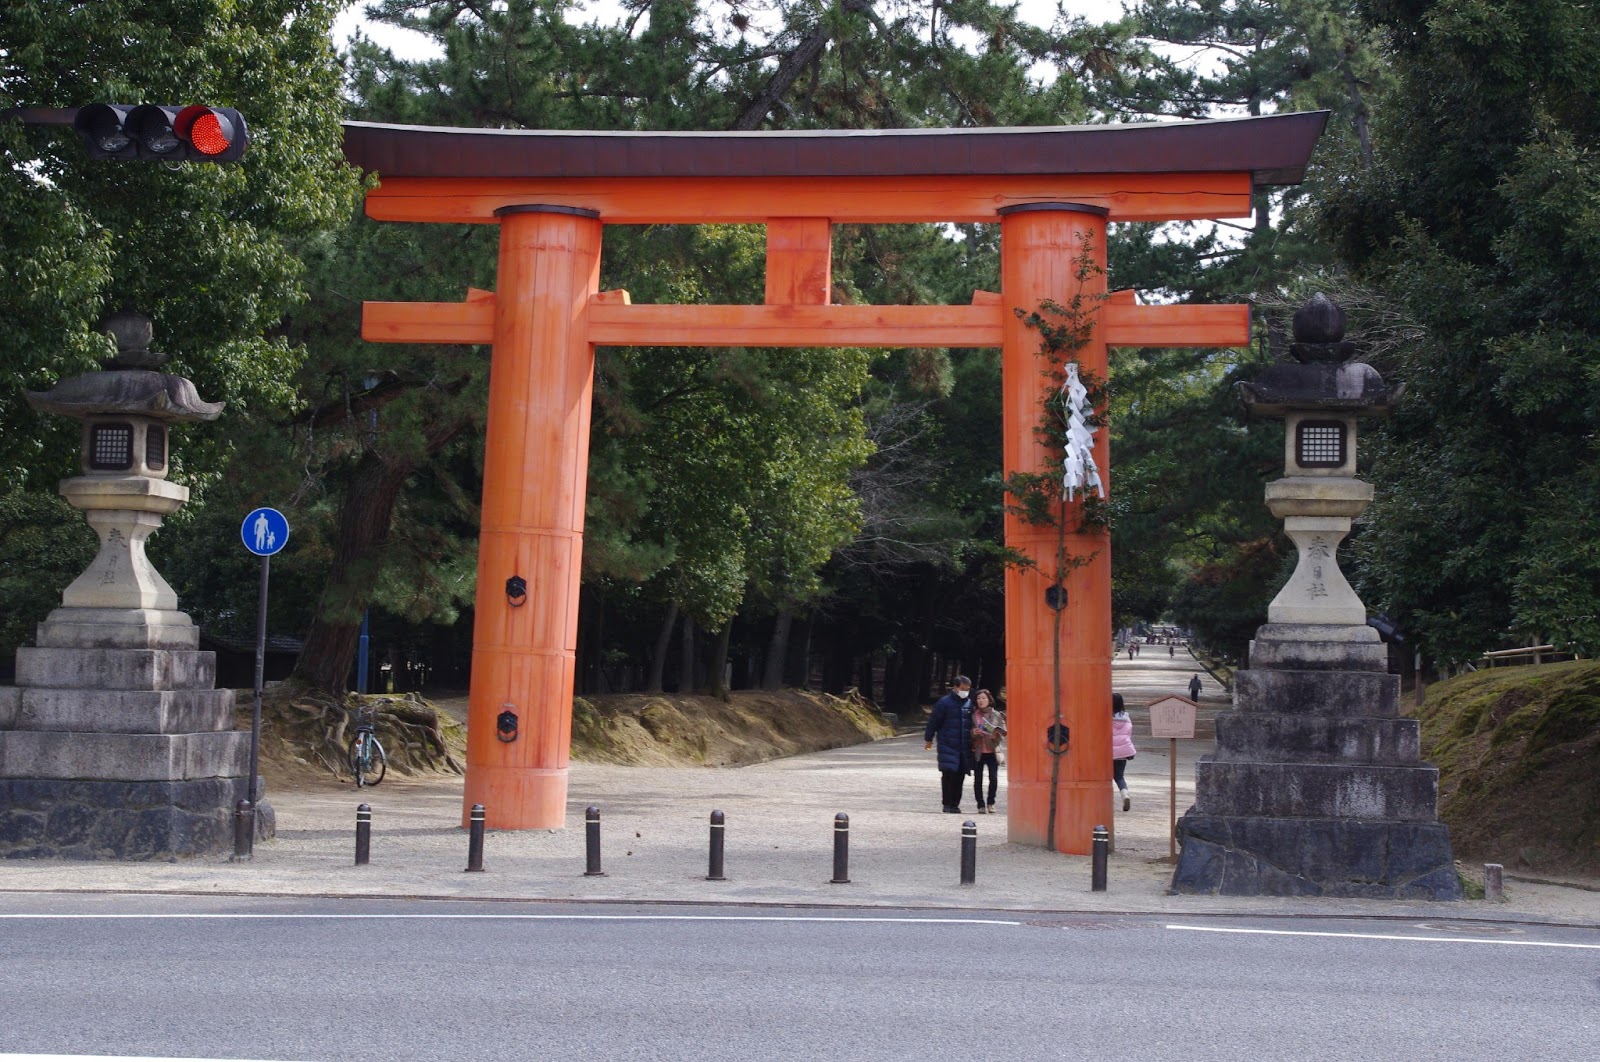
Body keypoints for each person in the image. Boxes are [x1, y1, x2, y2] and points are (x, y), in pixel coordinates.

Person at [924, 675, 975, 813]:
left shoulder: (969, 703)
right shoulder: (944, 703)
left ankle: (955, 804)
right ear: (955, 687)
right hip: (948, 744)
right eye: (963, 688)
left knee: (960, 775)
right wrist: (928, 739)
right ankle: (947, 803)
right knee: (949, 774)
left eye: (968, 689)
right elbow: (933, 722)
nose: (965, 691)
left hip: (964, 745)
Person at [969, 689, 1006, 814]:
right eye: (979, 698)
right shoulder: (974, 715)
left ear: (989, 700)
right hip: (978, 750)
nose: (981, 701)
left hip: (992, 750)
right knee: (977, 779)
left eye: (983, 698)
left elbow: (1003, 732)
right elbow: (969, 731)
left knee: (993, 778)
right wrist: (974, 733)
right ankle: (980, 804)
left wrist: (995, 735)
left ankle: (991, 802)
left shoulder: (997, 715)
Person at [1111, 692, 1136, 812]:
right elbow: (1128, 733)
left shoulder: (1105, 718)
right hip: (1123, 752)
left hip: (1108, 752)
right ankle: (1125, 794)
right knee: (1119, 776)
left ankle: (1106, 800)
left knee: (1105, 777)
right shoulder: (1126, 718)